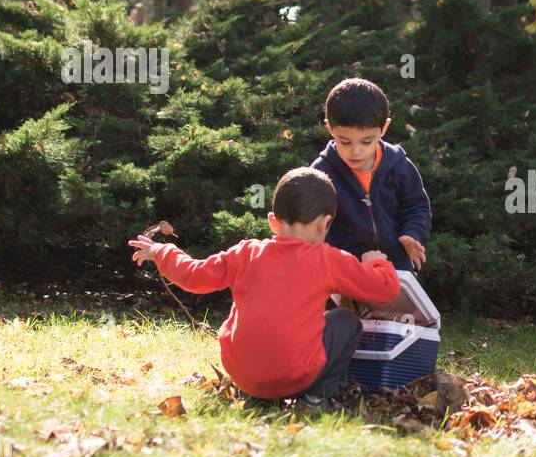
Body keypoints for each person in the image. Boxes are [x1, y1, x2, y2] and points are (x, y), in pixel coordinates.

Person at [127, 167, 399, 403]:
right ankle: (319, 395)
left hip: (242, 374)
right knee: (346, 321)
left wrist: (162, 252)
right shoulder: (327, 259)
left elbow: (193, 275)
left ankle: (257, 388)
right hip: (295, 376)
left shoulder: (246, 252)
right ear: (324, 224)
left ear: (273, 221)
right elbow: (385, 289)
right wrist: (376, 262)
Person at [311, 77, 432, 273]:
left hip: (395, 271)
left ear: (383, 128)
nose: (356, 151)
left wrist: (413, 235)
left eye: (366, 142)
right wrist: (342, 265)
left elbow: (416, 208)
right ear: (330, 129)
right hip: (345, 275)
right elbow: (317, 228)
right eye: (345, 142)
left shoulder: (399, 166)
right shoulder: (321, 174)